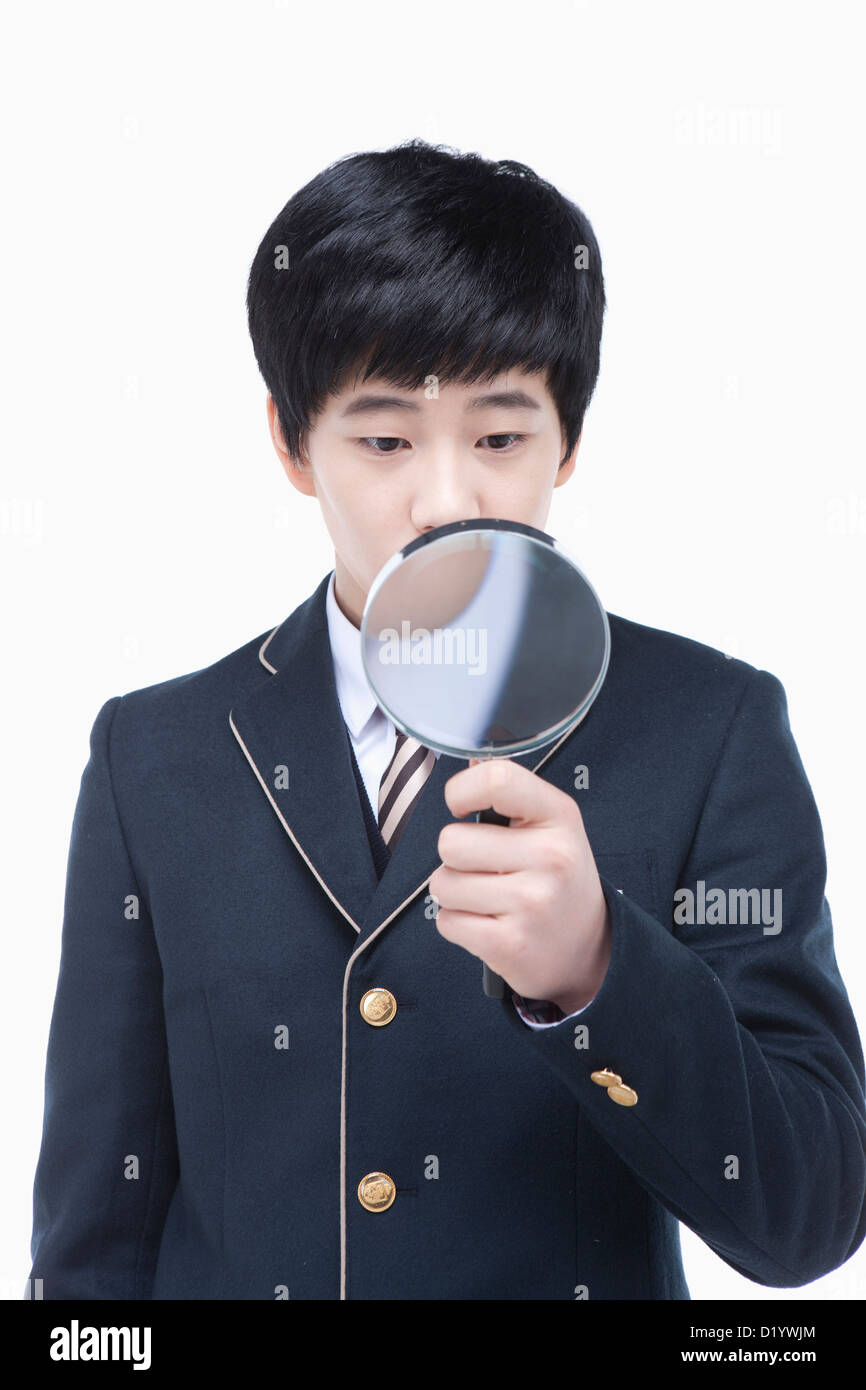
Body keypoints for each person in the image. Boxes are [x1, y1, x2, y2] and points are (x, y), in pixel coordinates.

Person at [27, 138, 866, 1300]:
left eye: (500, 437)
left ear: (566, 439)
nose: (444, 502)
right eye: (381, 440)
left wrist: (596, 971)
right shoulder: (152, 754)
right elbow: (94, 1243)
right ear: (287, 441)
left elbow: (808, 1217)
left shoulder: (708, 728)